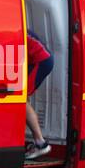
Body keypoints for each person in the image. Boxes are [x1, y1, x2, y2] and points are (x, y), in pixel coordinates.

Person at [24, 29, 53, 160]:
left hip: (40, 61)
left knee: (20, 99)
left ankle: (41, 143)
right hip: (38, 60)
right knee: (22, 98)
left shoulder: (14, 26)